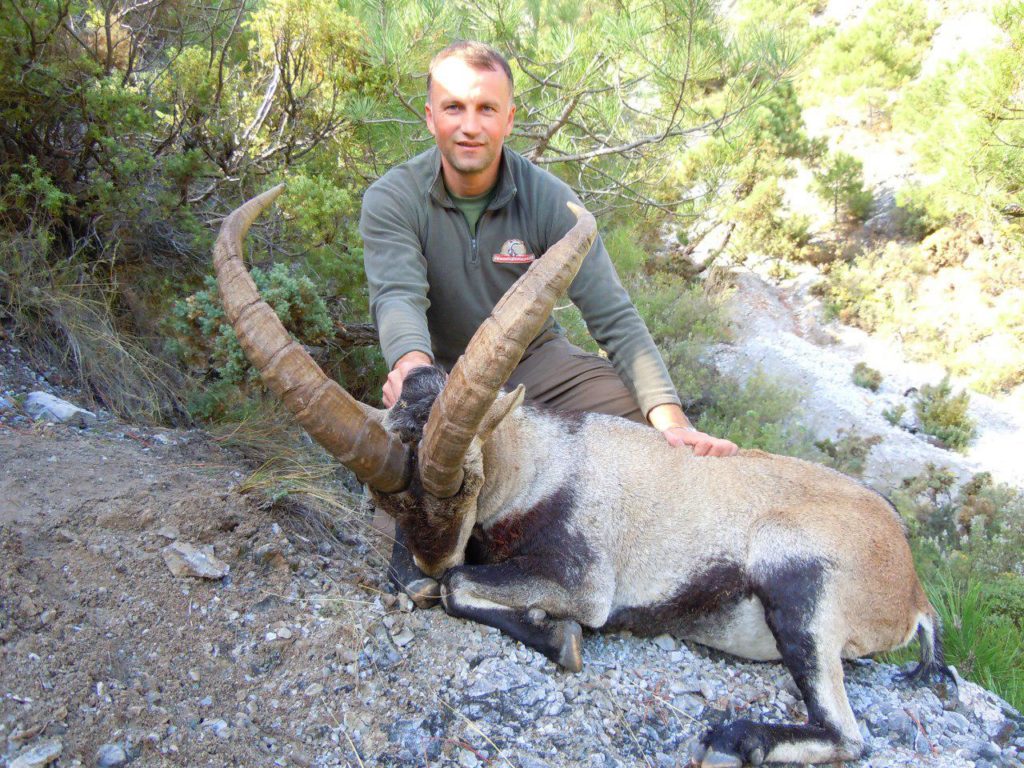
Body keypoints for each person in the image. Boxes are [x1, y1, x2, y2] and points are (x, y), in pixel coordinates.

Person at [360, 40, 738, 460]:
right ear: (431, 118)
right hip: (440, 378)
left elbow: (613, 313)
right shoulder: (392, 199)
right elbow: (398, 296)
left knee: (653, 436)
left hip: (536, 367)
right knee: (401, 486)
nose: (470, 126)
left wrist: (672, 421)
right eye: (454, 108)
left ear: (509, 119)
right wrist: (412, 370)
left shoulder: (550, 199)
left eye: (486, 109)